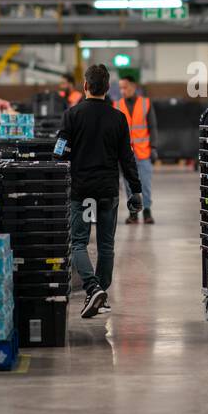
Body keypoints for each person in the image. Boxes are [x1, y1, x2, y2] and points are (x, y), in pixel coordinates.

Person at [57, 64, 143, 318]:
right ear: (108, 89)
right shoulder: (118, 118)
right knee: (106, 245)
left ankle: (92, 287)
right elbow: (127, 158)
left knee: (79, 243)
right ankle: (100, 295)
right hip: (107, 192)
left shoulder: (72, 115)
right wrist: (135, 190)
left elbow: (59, 151)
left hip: (82, 191)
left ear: (85, 86)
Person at [114, 73, 157, 224]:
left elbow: (152, 127)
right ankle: (133, 214)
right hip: (126, 154)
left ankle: (147, 212)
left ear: (133, 87)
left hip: (144, 152)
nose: (122, 91)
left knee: (145, 183)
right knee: (128, 185)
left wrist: (154, 147)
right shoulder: (117, 105)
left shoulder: (146, 103)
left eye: (125, 87)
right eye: (120, 88)